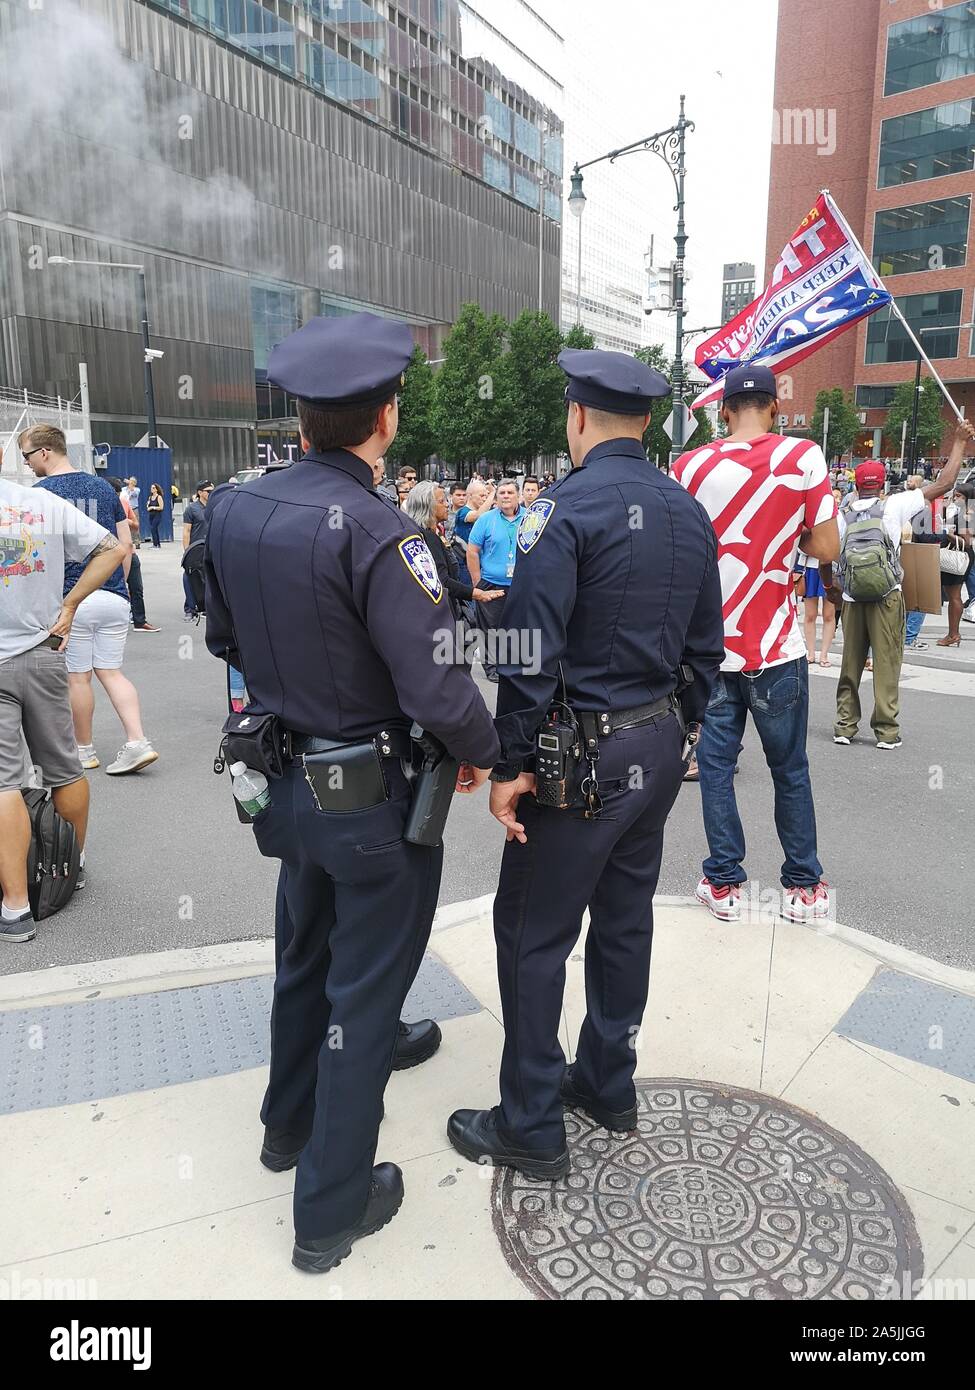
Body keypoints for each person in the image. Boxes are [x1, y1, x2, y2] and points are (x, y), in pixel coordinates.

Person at [203, 313, 500, 1272]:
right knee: (361, 997)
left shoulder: (234, 508)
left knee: (304, 954)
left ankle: (284, 1126)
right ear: (385, 418)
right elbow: (437, 681)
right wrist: (482, 750)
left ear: (300, 423)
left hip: (283, 780)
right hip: (371, 796)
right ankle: (329, 1208)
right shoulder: (383, 533)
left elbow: (221, 638)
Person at [447, 348, 724, 1178]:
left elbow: (528, 651)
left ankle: (530, 1123)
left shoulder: (560, 510)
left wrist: (508, 763)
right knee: (623, 922)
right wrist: (677, 729)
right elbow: (707, 649)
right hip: (654, 745)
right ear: (644, 423)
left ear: (576, 418)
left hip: (581, 756)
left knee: (533, 934)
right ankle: (606, 1082)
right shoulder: (684, 510)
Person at [673, 365, 839, 924]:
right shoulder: (802, 457)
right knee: (790, 768)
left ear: (723, 410)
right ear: (773, 406)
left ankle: (724, 883)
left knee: (716, 767)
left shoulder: (690, 465)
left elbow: (678, 545)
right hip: (777, 645)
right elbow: (827, 546)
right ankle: (803, 888)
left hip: (713, 647)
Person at [0, 470, 126, 940]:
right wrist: (69, 605)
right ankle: (68, 864)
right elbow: (113, 548)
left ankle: (14, 908)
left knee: (3, 782)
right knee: (64, 767)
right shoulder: (41, 503)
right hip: (44, 650)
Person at [828, 420, 974, 749]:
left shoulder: (842, 513)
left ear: (855, 485)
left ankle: (844, 726)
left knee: (850, 663)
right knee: (887, 661)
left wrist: (830, 587)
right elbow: (946, 481)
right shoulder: (894, 505)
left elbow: (827, 555)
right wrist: (960, 442)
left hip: (852, 597)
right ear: (881, 485)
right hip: (886, 596)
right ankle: (886, 731)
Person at [23, 431, 159, 777]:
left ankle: (84, 750)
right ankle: (137, 742)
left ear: (44, 453)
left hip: (70, 599)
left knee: (78, 679)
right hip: (112, 595)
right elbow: (124, 545)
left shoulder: (37, 495)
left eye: (27, 456)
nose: (26, 463)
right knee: (112, 672)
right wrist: (120, 588)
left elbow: (34, 555)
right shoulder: (103, 487)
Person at [404, 482, 504, 623]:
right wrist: (478, 594)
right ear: (428, 506)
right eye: (442, 501)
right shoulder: (429, 537)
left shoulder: (430, 533)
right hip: (440, 616)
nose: (447, 505)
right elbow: (442, 580)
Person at [466, 479, 524, 682]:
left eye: (510, 492)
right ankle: (492, 668)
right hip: (491, 583)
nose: (506, 496)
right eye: (502, 493)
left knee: (518, 626)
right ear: (496, 497)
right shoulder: (486, 520)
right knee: (490, 628)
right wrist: (477, 583)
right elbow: (472, 551)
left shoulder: (529, 518)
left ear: (519, 496)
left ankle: (515, 664)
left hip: (520, 584)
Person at [181, 481, 213, 620]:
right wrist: (186, 551)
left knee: (210, 580)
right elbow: (186, 531)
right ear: (200, 492)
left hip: (211, 548)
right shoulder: (192, 509)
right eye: (208, 491)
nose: (211, 493)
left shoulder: (215, 507)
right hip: (195, 549)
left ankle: (208, 608)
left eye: (213, 491)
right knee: (189, 577)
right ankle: (189, 609)